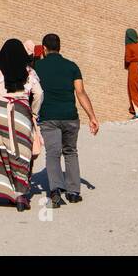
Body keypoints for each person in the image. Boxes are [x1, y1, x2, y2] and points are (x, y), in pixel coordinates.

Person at [32, 33, 99, 207]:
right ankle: (74, 192)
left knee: (53, 154)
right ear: (60, 47)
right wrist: (92, 116)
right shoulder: (72, 66)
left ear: (44, 49)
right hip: (70, 116)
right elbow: (80, 92)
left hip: (48, 117)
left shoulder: (37, 67)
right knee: (71, 152)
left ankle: (55, 191)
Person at [0, 38, 44, 212]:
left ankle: (7, 192)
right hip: (21, 112)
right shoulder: (29, 72)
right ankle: (21, 195)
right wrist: (33, 112)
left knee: (3, 152)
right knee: (22, 152)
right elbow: (39, 93)